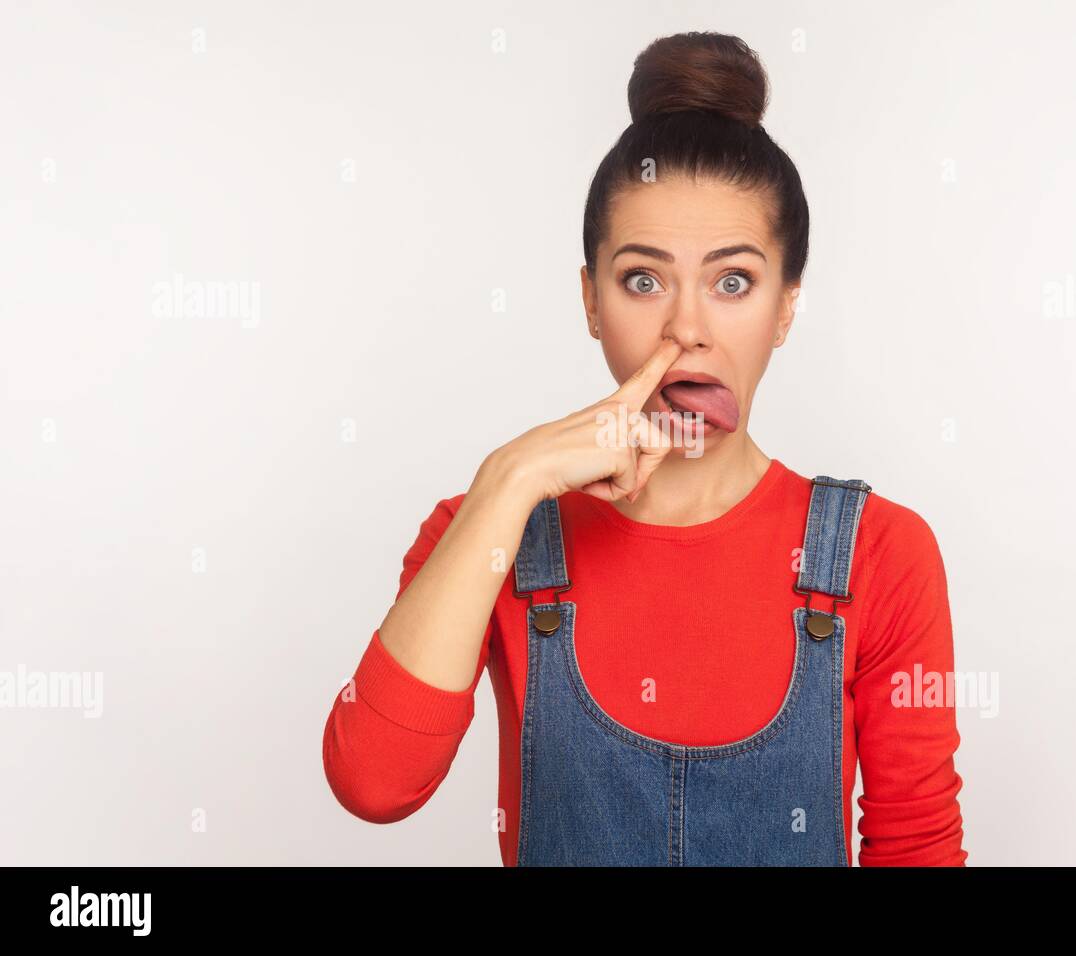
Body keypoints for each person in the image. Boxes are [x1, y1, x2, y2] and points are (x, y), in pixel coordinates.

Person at [323, 30, 968, 866]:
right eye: (643, 280)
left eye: (733, 281)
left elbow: (918, 848)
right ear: (590, 300)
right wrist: (511, 479)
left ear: (785, 306)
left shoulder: (883, 554)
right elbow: (373, 786)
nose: (687, 330)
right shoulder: (490, 530)